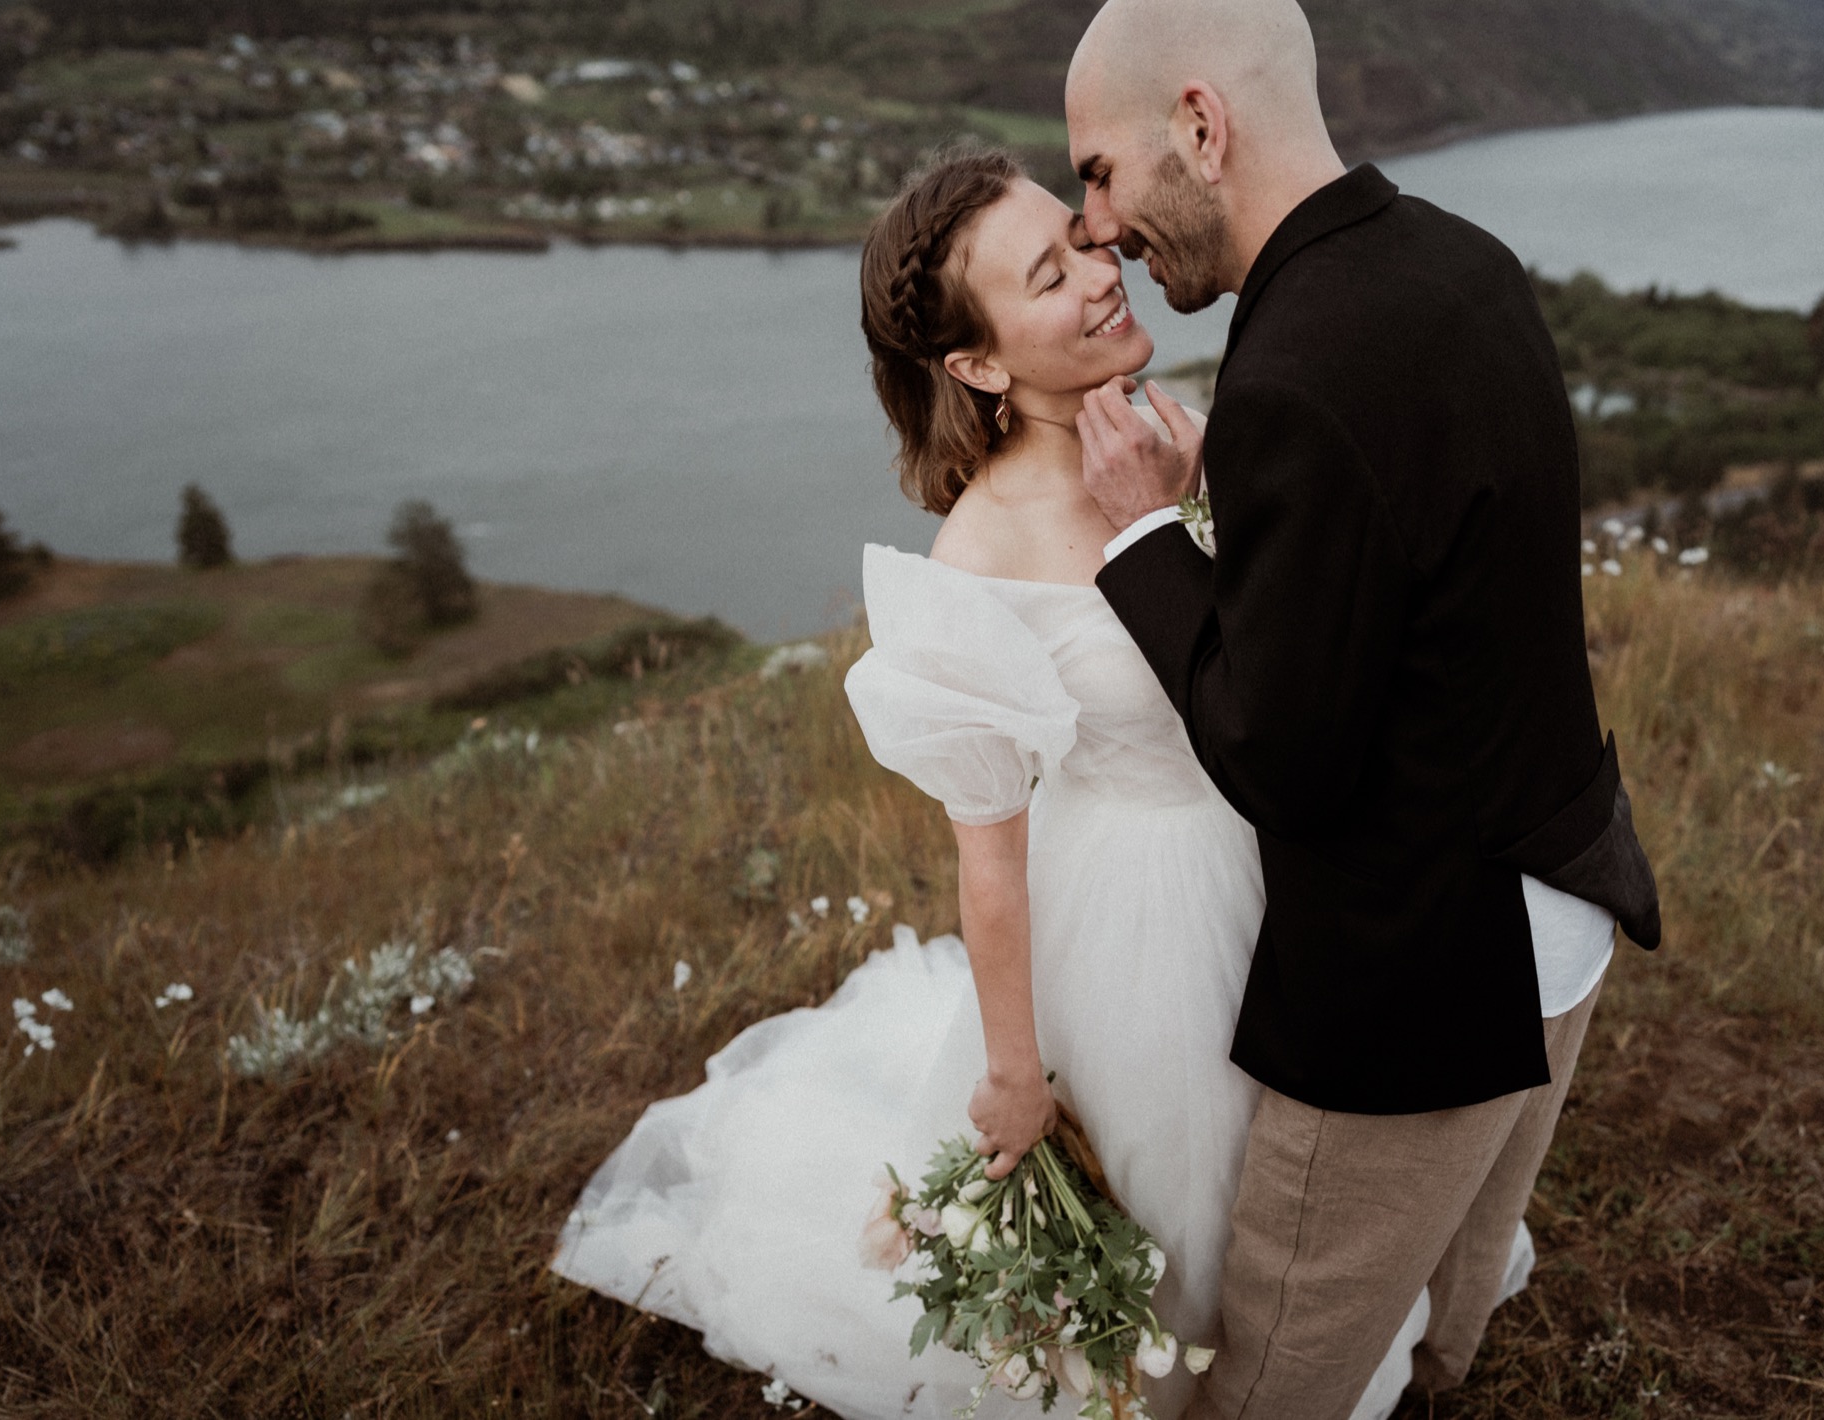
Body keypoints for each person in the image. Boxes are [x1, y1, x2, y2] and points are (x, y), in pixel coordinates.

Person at [552, 144, 1540, 1420]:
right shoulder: (980, 558)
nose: (1098, 273)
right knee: (1182, 1198)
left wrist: (1196, 509)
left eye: (1081, 243)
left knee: (1310, 1188)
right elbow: (991, 859)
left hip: (1275, 855)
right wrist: (1017, 1071)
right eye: (1049, 274)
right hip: (1136, 926)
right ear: (976, 363)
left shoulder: (1167, 428)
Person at [1059, 1, 1662, 1416]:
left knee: (1270, 1378)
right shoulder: (1460, 261)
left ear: (1200, 128)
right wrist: (1259, 505)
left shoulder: (1299, 369)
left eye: (1098, 173)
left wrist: (1149, 538)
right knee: (1449, 1321)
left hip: (1431, 975)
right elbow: (1430, 576)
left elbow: (1286, 758)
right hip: (1561, 893)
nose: (1096, 229)